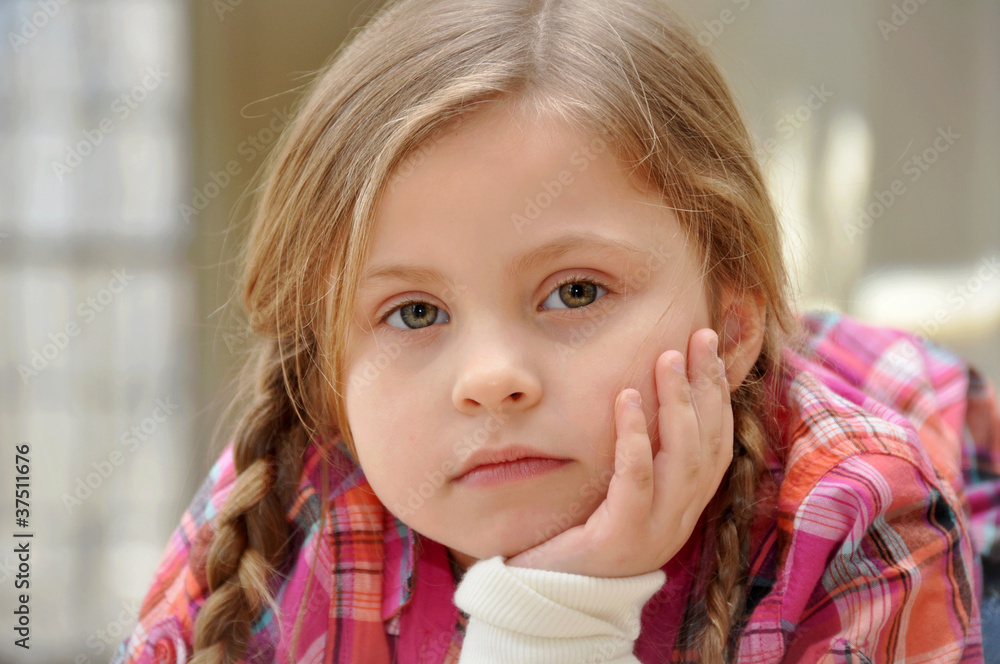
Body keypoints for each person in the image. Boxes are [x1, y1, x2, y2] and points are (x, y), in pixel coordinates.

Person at [109, 0, 1000, 662]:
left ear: (730, 324)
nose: (492, 377)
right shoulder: (290, 495)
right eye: (415, 312)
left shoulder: (860, 512)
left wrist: (562, 617)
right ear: (332, 373)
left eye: (575, 291)